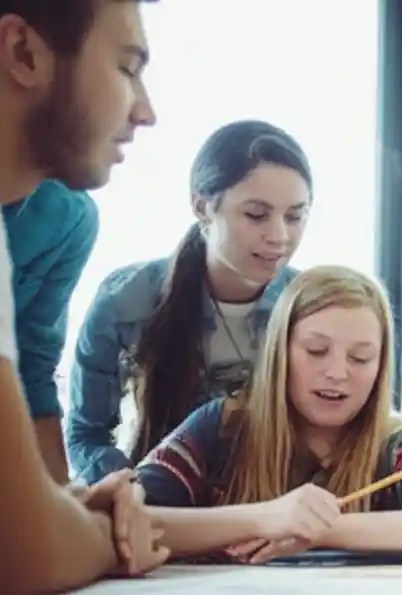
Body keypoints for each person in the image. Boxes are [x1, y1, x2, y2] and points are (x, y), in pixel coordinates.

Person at [0, 0, 165, 595]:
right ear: (23, 52)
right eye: (127, 68)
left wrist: (50, 511)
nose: (145, 111)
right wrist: (104, 534)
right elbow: (19, 558)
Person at [137, 266, 402, 563]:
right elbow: (127, 522)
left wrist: (320, 529)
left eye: (361, 358)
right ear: (280, 351)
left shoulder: (394, 442)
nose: (337, 372)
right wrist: (264, 519)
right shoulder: (222, 424)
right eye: (317, 351)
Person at [68, 120, 310, 485]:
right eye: (256, 215)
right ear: (202, 207)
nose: (279, 236)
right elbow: (86, 434)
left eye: (294, 216)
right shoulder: (126, 303)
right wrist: (134, 490)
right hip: (160, 507)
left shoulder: (310, 304)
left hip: (276, 508)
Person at [4, 180, 100, 484]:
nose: (143, 127)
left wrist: (63, 501)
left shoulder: (68, 214)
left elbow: (33, 364)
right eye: (252, 214)